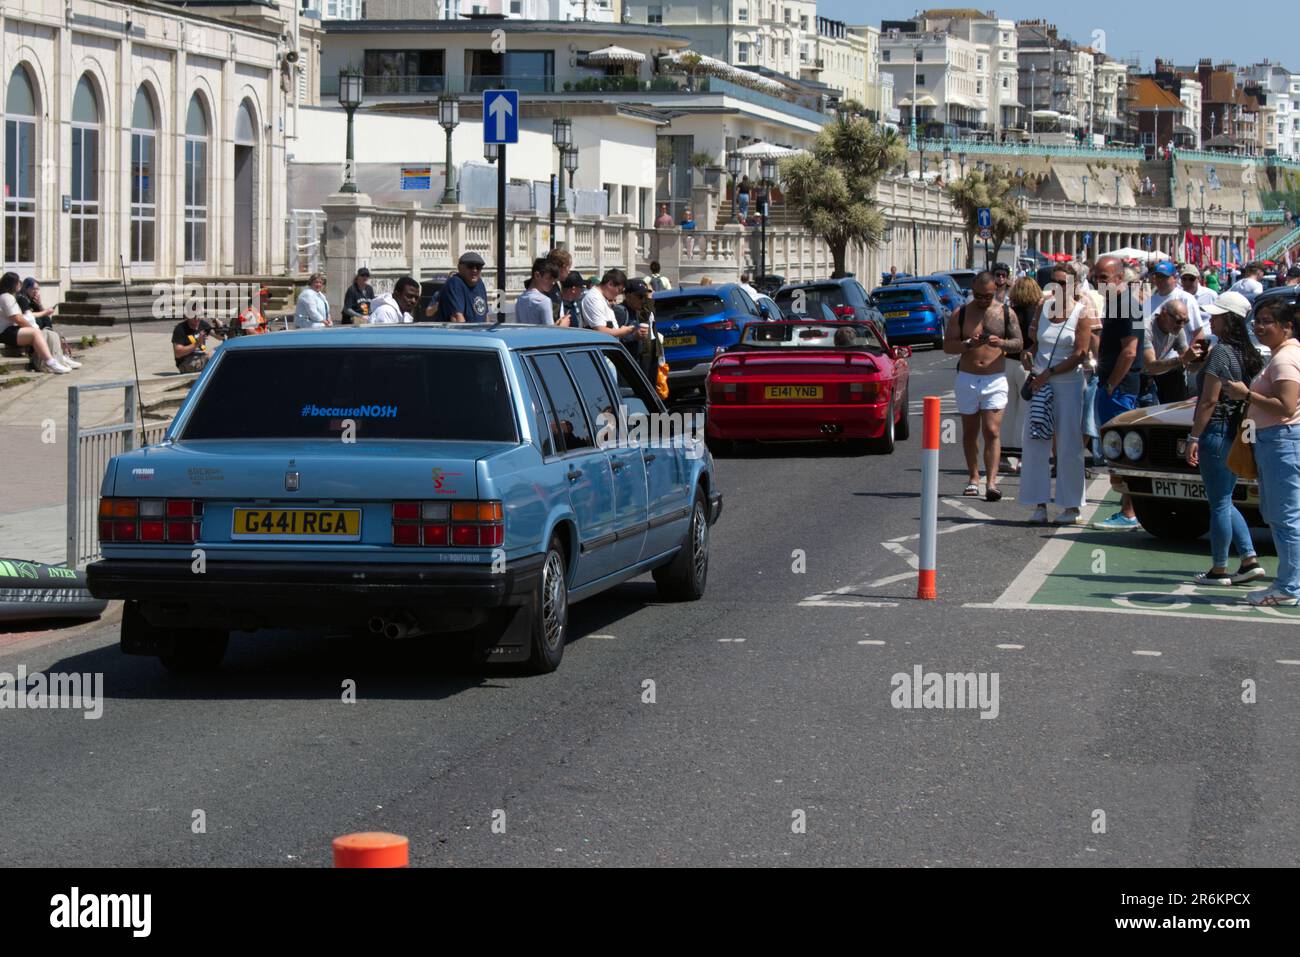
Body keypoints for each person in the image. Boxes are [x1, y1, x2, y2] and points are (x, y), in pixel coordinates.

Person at [1220, 297, 1300, 605]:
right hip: (1277, 441)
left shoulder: (1284, 359)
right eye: (1257, 320)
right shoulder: (1284, 355)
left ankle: (1289, 587)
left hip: (1282, 441)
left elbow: (1286, 406)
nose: (1259, 326)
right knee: (1281, 515)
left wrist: (1246, 393)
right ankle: (1288, 583)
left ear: (1286, 326)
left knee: (1285, 517)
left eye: (1267, 321)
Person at [1183, 291, 1266, 588]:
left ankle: (1220, 568)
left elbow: (1208, 401)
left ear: (1228, 320)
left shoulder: (1221, 352)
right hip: (1236, 431)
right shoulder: (1247, 352)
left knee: (1218, 502)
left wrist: (1194, 436)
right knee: (1225, 500)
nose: (1210, 319)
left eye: (1216, 315)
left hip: (1216, 431)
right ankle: (1249, 559)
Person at [1021, 260, 1091, 525]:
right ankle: (1039, 505)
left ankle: (1071, 506)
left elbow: (1080, 354)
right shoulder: (1042, 307)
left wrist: (1050, 372)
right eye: (1055, 283)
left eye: (1064, 283)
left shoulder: (1081, 313)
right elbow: (1035, 344)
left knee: (1069, 444)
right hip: (1040, 382)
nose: (1059, 288)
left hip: (1067, 385)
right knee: (1036, 441)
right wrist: (1028, 356)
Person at [943, 271, 1022, 502]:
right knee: (970, 432)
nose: (982, 300)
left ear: (995, 291)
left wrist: (1002, 342)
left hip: (994, 378)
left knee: (992, 431)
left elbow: (1019, 343)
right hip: (968, 377)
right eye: (978, 295)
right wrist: (967, 344)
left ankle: (991, 482)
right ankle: (973, 478)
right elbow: (948, 346)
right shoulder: (961, 313)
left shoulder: (1005, 313)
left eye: (987, 296)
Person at [1092, 255, 1145, 529]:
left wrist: (1111, 384)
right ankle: (1127, 509)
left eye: (1103, 277)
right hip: (1112, 387)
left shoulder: (1126, 306)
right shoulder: (1116, 304)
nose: (1097, 282)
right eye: (1095, 277)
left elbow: (1130, 350)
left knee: (1123, 450)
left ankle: (1129, 512)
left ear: (1118, 279)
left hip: (1120, 389)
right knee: (1117, 450)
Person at [1003, 275, 1046, 474]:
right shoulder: (1037, 312)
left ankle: (1004, 454)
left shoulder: (1008, 312)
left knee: (1008, 411)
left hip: (1007, 363)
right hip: (1027, 363)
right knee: (1026, 410)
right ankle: (1021, 456)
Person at [0, 271, 69, 374]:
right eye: (18, 281)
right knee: (36, 333)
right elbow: (17, 318)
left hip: (10, 330)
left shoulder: (9, 297)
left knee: (48, 333)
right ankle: (50, 362)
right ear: (12, 284)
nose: (20, 283)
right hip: (5, 332)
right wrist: (31, 328)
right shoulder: (6, 297)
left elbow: (22, 317)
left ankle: (59, 359)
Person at [1142, 299, 1198, 404]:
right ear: (1163, 314)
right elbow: (1151, 367)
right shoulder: (1146, 329)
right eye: (1178, 321)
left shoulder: (1177, 330)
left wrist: (1203, 358)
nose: (1181, 325)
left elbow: (1189, 365)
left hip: (1149, 380)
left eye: (1185, 321)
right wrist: (1183, 359)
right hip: (1132, 380)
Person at [16, 276, 79, 367]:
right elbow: (28, 316)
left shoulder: (32, 299)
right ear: (26, 288)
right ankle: (58, 357)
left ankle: (61, 356)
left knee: (46, 319)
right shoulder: (22, 298)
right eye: (33, 289)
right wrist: (45, 312)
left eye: (37, 289)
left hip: (37, 326)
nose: (36, 291)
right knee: (44, 319)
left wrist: (39, 304)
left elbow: (43, 313)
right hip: (27, 325)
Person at [579, 269, 636, 338]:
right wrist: (622, 331)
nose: (618, 294)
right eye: (619, 290)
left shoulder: (603, 298)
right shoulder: (594, 298)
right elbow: (600, 330)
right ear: (610, 284)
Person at [436, 252, 490, 323]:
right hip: (461, 333)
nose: (475, 270)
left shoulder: (480, 283)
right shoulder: (455, 283)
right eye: (470, 266)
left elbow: (485, 315)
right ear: (460, 268)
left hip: (479, 332)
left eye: (478, 267)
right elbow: (457, 317)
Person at [171, 306, 226, 372]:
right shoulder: (180, 329)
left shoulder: (202, 324)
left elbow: (220, 337)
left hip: (201, 358)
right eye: (194, 316)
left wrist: (219, 327)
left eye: (199, 315)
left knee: (221, 351)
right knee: (214, 357)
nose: (197, 318)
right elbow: (178, 353)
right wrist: (197, 343)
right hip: (186, 363)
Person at [515, 258, 561, 325]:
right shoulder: (544, 301)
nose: (553, 283)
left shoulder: (520, 299)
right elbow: (550, 332)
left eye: (554, 280)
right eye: (549, 278)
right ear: (537, 275)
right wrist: (562, 326)